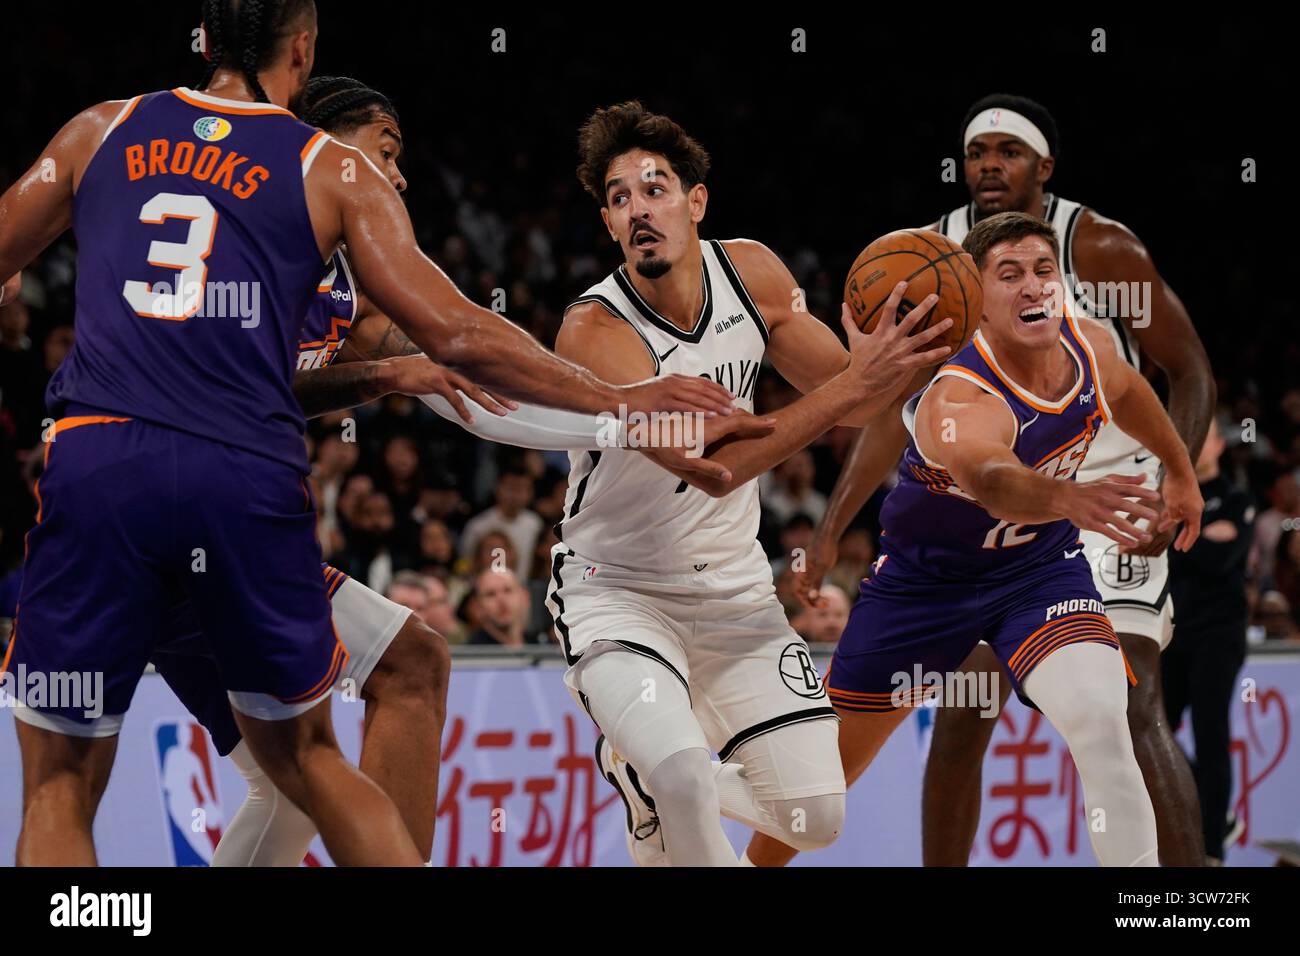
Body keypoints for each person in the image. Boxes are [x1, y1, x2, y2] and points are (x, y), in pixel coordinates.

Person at [0, 0, 736, 866]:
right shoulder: (324, 175)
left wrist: (617, 421)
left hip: (103, 472)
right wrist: (625, 402)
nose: (399, 174)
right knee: (310, 760)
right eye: (389, 150)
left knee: (66, 786)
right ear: (303, 52)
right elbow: (464, 334)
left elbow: (467, 391)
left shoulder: (103, 129)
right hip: (236, 489)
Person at [795, 94, 1214, 865]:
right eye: (978, 151)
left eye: (1008, 152)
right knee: (963, 710)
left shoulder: (1101, 248)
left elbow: (1180, 372)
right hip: (984, 509)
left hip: (1109, 491)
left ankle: (1180, 900)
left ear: (1044, 167)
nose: (989, 164)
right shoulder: (929, 255)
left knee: (1126, 701)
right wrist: (830, 528)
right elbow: (895, 409)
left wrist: (1173, 479)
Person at [547, 101, 953, 866]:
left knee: (816, 816)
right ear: (607, 224)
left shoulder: (755, 274)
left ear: (696, 202)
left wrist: (900, 356)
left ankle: (642, 772)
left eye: (656, 188)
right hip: (619, 591)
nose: (638, 208)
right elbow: (714, 467)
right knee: (682, 776)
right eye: (619, 197)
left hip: (734, 593)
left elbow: (858, 398)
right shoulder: (593, 330)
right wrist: (850, 388)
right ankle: (656, 773)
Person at [1163, 418, 1256, 862]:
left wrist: (1175, 541)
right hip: (1174, 631)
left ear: (1219, 445)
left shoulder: (1238, 499)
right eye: (1189, 437)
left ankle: (1213, 848)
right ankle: (1215, 813)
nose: (1197, 445)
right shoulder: (1170, 498)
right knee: (1149, 722)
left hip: (1219, 635)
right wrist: (1192, 540)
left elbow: (1221, 559)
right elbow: (1173, 553)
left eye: (1206, 436)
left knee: (1210, 731)